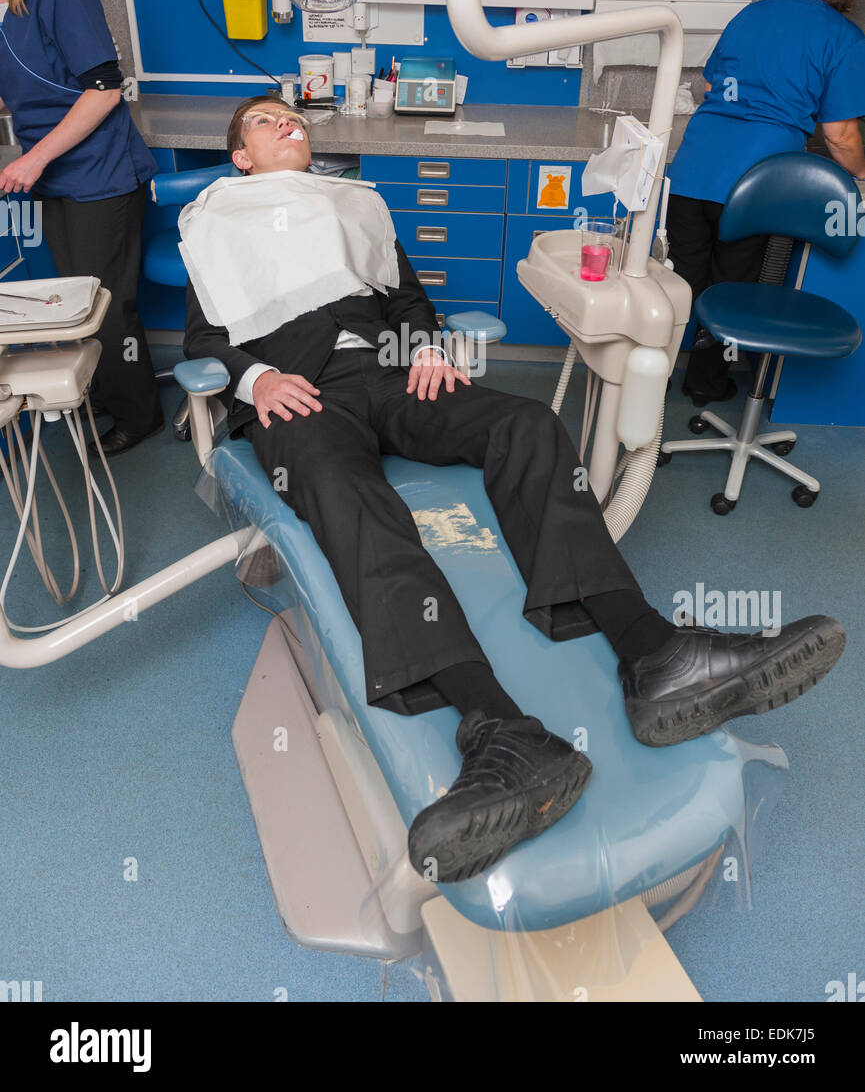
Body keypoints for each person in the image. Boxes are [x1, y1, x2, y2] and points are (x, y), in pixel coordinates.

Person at [183, 95, 846, 883]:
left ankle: (653, 654)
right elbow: (203, 338)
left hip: (392, 373)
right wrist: (255, 379)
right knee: (351, 497)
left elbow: (402, 298)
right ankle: (500, 731)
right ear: (240, 157)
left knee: (526, 425)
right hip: (299, 394)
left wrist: (422, 344)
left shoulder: (351, 204)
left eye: (293, 114)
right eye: (263, 119)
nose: (286, 120)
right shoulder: (213, 224)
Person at [668, 0, 865, 406]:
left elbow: (711, 84)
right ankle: (705, 383)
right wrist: (862, 175)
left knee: (678, 285)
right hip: (753, 185)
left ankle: (650, 382)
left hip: (694, 168)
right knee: (728, 288)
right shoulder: (842, 37)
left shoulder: (752, 13)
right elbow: (840, 135)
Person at [0, 0, 163, 454]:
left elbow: (103, 91)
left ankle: (140, 413)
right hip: (53, 173)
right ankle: (103, 389)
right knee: (73, 300)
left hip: (98, 171)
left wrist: (35, 157)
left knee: (107, 303)